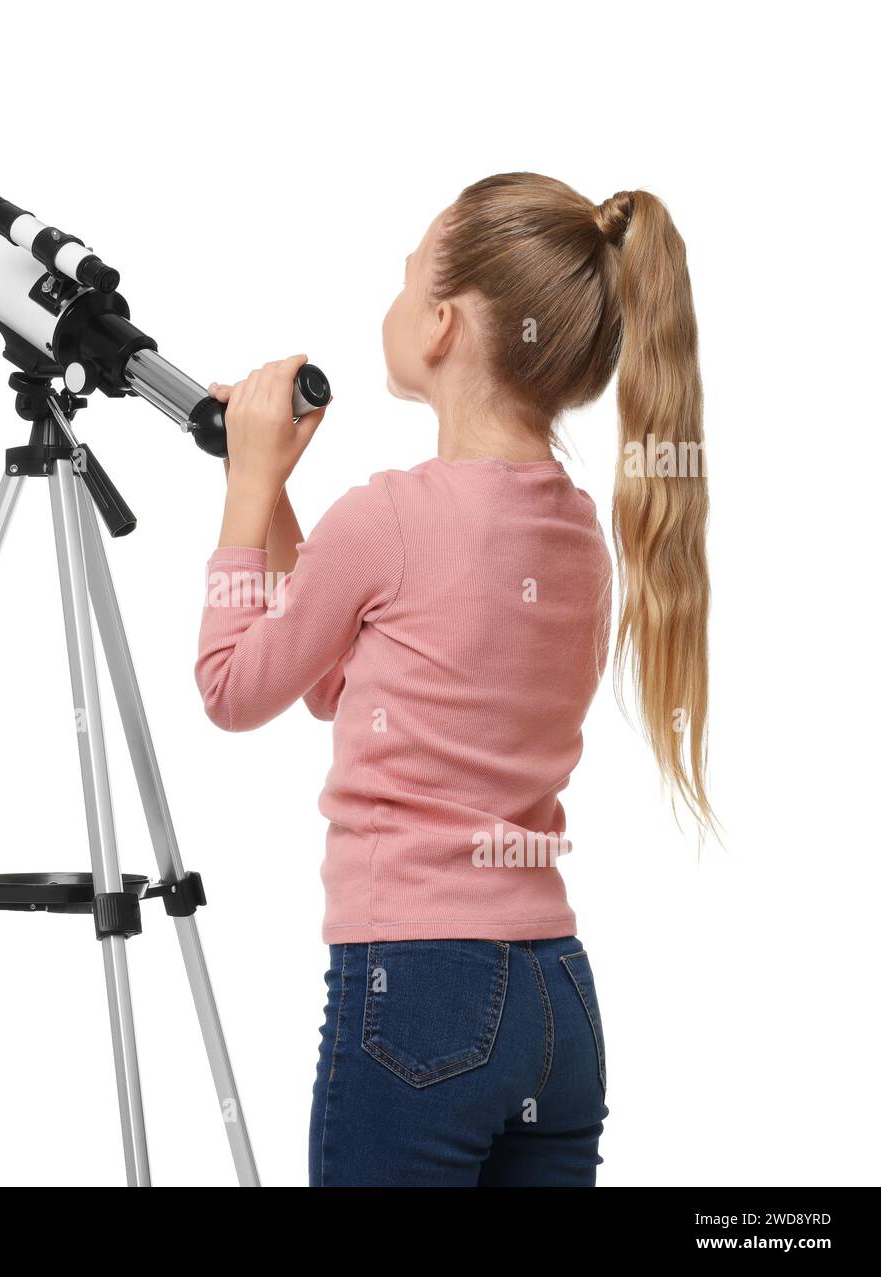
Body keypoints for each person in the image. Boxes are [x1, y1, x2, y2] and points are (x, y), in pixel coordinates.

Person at [195, 173, 711, 1187]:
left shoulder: (385, 514)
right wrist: (280, 501)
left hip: (420, 994)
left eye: (402, 282)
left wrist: (248, 491)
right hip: (552, 1000)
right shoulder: (578, 535)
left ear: (439, 325)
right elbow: (334, 678)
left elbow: (230, 686)